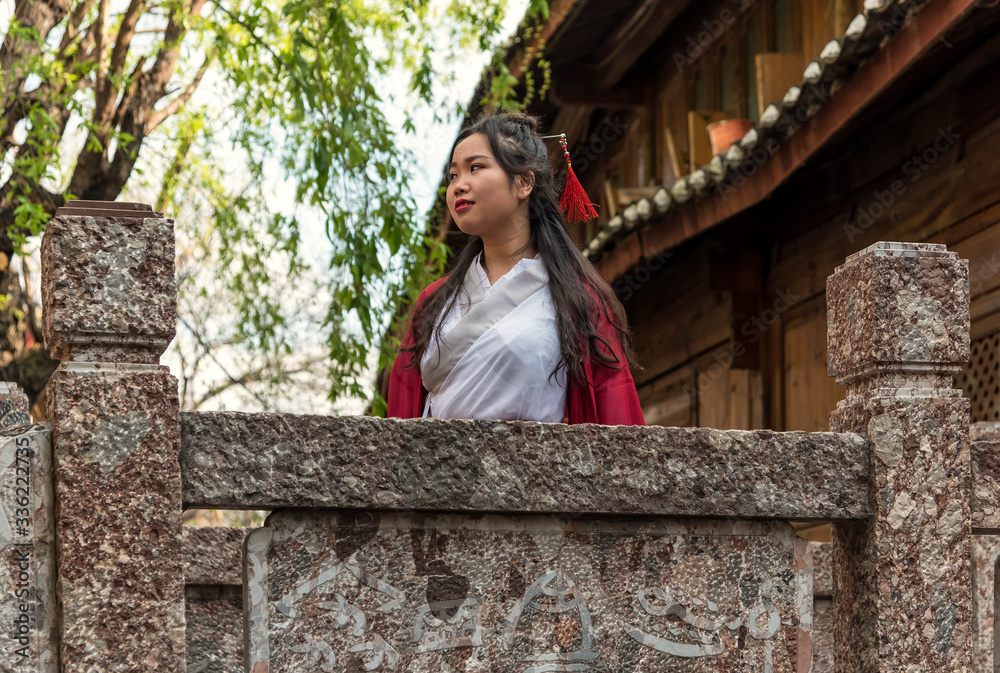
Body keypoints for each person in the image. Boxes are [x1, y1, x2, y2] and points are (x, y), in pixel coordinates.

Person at [387, 113, 645, 425]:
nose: (458, 185)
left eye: (476, 167)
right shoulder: (434, 302)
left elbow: (615, 414)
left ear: (523, 182)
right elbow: (401, 419)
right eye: (453, 176)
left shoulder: (579, 298)